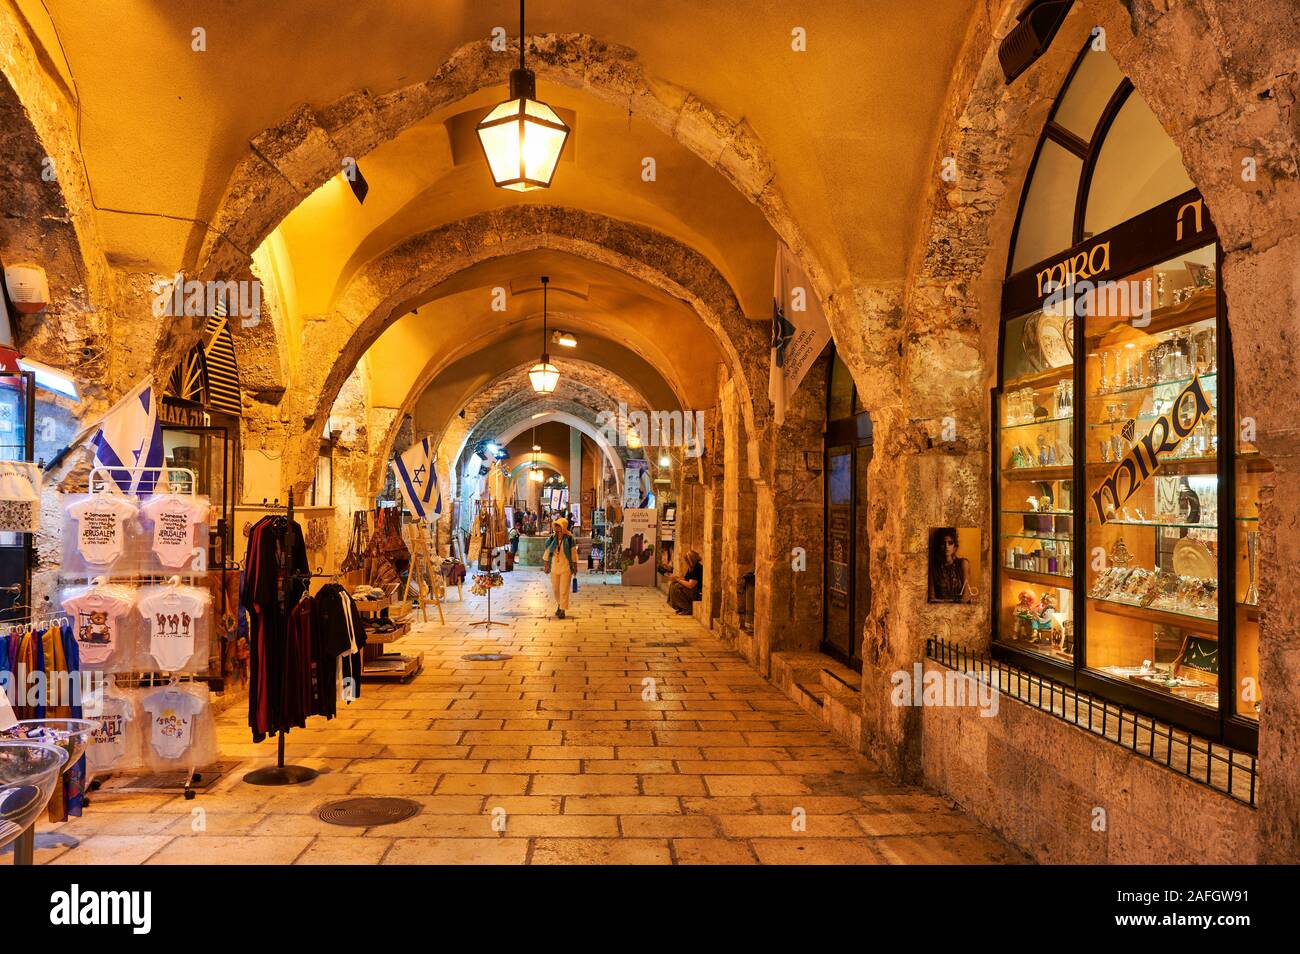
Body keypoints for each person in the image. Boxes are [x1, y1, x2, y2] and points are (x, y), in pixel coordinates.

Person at [542, 516, 578, 618]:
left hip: (566, 568)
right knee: (555, 589)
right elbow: (547, 552)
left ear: (564, 527)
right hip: (554, 568)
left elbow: (574, 554)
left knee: (564, 590)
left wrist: (575, 567)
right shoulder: (552, 539)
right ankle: (559, 604)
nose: (557, 529)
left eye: (559, 527)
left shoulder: (570, 539)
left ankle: (562, 610)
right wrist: (546, 565)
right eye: (556, 527)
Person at [929, 527, 973, 603]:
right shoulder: (933, 567)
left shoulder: (963, 564)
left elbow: (966, 596)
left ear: (955, 546)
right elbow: (932, 598)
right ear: (939, 546)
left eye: (950, 543)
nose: (947, 546)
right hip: (939, 611)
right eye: (943, 543)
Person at [667, 550, 703, 614]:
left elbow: (690, 585)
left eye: (687, 560)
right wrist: (676, 578)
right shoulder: (691, 567)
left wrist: (678, 580)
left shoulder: (697, 568)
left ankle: (687, 608)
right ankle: (680, 607)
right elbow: (687, 579)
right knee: (673, 585)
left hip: (696, 591)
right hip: (692, 589)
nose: (686, 562)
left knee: (676, 587)